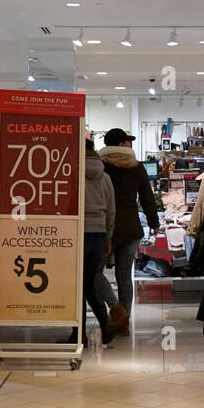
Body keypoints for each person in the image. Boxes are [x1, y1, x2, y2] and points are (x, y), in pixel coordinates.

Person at [99, 126, 160, 337]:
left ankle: (116, 310)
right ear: (122, 143)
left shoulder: (101, 165)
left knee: (96, 273)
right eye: (127, 141)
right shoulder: (136, 166)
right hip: (131, 227)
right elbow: (147, 197)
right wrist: (154, 222)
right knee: (124, 276)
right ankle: (124, 319)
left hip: (105, 226)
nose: (129, 144)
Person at [80, 136, 116, 347]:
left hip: (78, 232)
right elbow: (112, 211)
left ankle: (80, 334)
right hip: (99, 232)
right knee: (88, 280)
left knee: (79, 285)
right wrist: (108, 237)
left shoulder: (72, 173)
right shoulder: (106, 178)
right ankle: (104, 322)